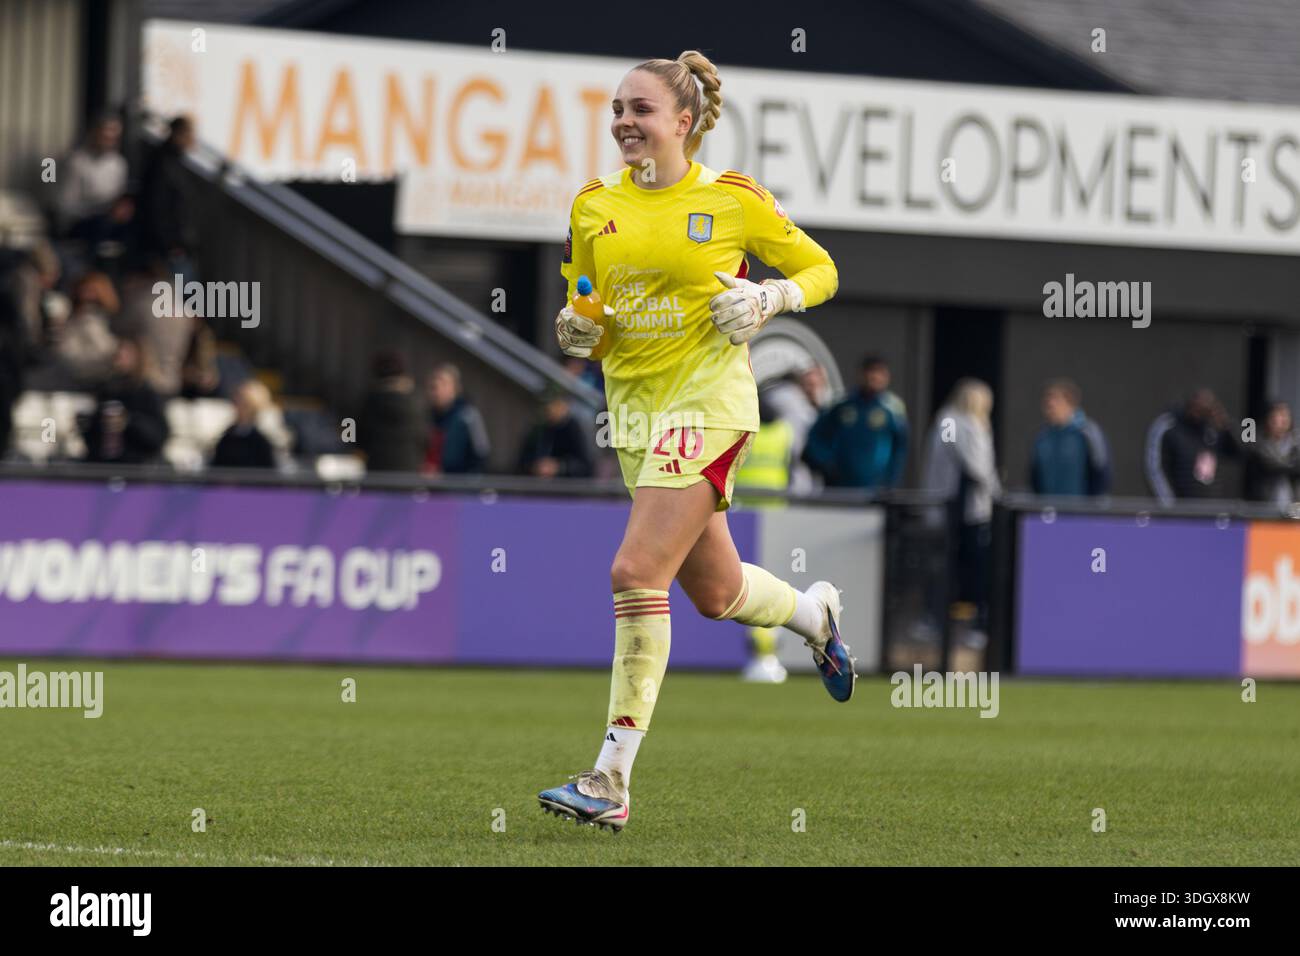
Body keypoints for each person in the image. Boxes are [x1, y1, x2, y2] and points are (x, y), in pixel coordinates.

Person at [537, 50, 845, 832]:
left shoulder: (731, 199)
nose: (623, 122)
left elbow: (821, 269)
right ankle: (816, 617)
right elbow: (592, 312)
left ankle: (610, 781)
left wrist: (772, 295)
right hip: (634, 416)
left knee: (635, 570)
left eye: (640, 109)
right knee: (716, 593)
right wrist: (579, 330)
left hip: (708, 405)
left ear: (683, 122)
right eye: (617, 109)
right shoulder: (590, 205)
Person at [921, 379, 1000, 637]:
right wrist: (997, 494)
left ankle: (940, 621)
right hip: (958, 511)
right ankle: (945, 623)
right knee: (959, 567)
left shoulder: (947, 421)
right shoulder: (958, 423)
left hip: (957, 510)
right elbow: (978, 468)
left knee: (958, 566)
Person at [733, 394, 795, 683]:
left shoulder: (743, 424)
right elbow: (792, 470)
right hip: (775, 512)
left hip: (740, 511)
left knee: (744, 582)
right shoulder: (785, 431)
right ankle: (766, 649)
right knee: (766, 582)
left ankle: (763, 649)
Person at [802, 355, 907, 491]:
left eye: (880, 373)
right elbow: (815, 440)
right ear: (861, 374)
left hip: (875, 491)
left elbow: (899, 450)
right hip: (841, 489)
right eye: (871, 372)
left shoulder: (893, 409)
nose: (875, 377)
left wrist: (889, 483)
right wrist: (829, 466)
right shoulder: (842, 405)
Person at [80, 338, 169, 464]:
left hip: (137, 466)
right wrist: (87, 423)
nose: (118, 361)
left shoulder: (147, 394)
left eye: (125, 356)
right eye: (117, 356)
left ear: (138, 359)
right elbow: (92, 435)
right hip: (103, 465)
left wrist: (128, 422)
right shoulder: (106, 391)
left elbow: (158, 436)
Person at [1145, 388, 1240, 503]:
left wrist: (1227, 426)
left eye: (1207, 408)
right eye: (1199, 407)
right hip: (1181, 508)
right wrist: (1169, 505)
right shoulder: (1171, 426)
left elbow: (1239, 452)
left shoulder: (1213, 428)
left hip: (1212, 508)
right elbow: (1155, 467)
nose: (1202, 412)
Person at [54, 115, 132, 251]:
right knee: (101, 224)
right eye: (105, 136)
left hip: (110, 220)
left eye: (113, 138)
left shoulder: (118, 164)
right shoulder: (76, 162)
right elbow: (64, 206)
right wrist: (99, 210)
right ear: (93, 133)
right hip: (79, 222)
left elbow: (119, 197)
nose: (109, 141)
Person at [134, 116, 198, 278]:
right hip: (168, 247)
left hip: (171, 244)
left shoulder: (172, 161)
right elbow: (158, 206)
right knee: (180, 294)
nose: (193, 139)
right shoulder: (163, 164)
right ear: (179, 134)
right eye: (190, 134)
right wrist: (170, 242)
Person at [1029, 378, 1110, 496]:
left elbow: (1101, 472)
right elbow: (1034, 475)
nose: (1049, 406)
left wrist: (1091, 507)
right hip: (1048, 510)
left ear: (1070, 403)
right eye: (1047, 402)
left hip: (1079, 511)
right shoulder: (1042, 437)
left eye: (1055, 400)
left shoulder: (1088, 433)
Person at [358, 350, 426, 473]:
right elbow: (425, 437)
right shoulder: (417, 402)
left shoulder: (370, 401)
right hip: (410, 472)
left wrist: (345, 439)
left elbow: (355, 433)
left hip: (377, 471)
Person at [424, 363, 490, 474]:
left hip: (458, 487)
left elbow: (481, 455)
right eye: (433, 386)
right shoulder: (424, 417)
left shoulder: (468, 416)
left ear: (456, 388)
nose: (437, 389)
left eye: (443, 384)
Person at [516, 384, 594, 478]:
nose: (550, 409)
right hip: (537, 487)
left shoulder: (574, 429)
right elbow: (521, 462)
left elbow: (586, 467)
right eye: (547, 404)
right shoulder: (538, 428)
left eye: (555, 403)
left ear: (565, 405)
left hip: (567, 488)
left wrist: (559, 467)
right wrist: (535, 466)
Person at [1244, 400, 1300, 506]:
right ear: (1268, 419)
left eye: (1285, 416)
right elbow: (1270, 466)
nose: (1281, 420)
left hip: (1292, 507)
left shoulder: (1295, 445)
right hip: (1264, 506)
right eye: (1277, 416)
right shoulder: (1258, 443)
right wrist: (1291, 465)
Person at [212, 380, 277, 469]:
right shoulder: (228, 435)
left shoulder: (262, 439)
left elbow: (268, 470)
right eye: (236, 401)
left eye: (244, 404)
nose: (237, 407)